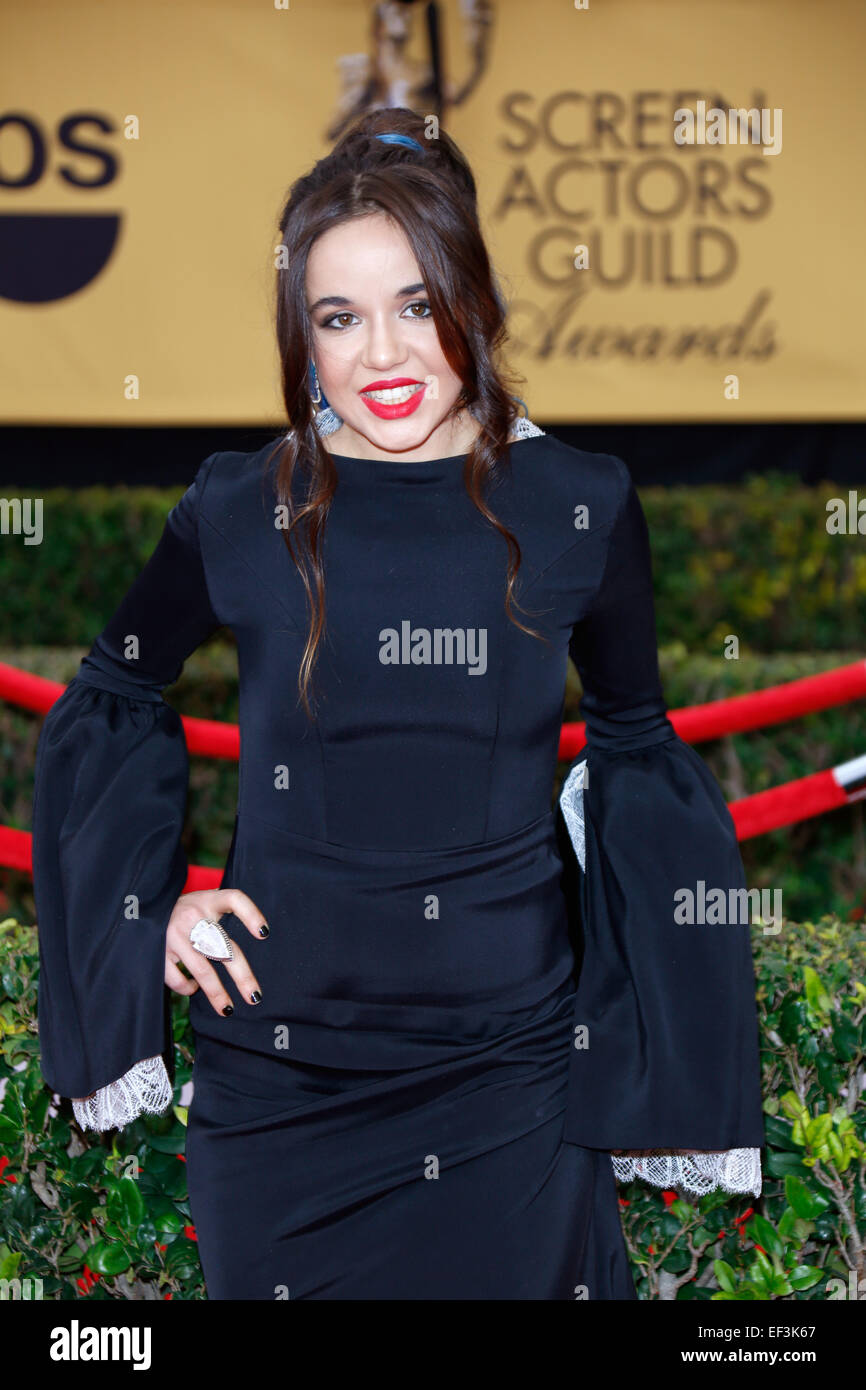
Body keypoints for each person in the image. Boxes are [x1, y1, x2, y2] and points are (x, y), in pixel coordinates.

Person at [31, 108, 764, 1301]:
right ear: (301, 337)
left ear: (472, 300)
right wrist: (145, 909)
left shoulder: (577, 504)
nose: (382, 354)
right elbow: (112, 691)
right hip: (280, 1088)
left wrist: (664, 1041)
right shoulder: (239, 508)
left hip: (508, 1083)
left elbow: (636, 750)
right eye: (338, 318)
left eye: (416, 304)